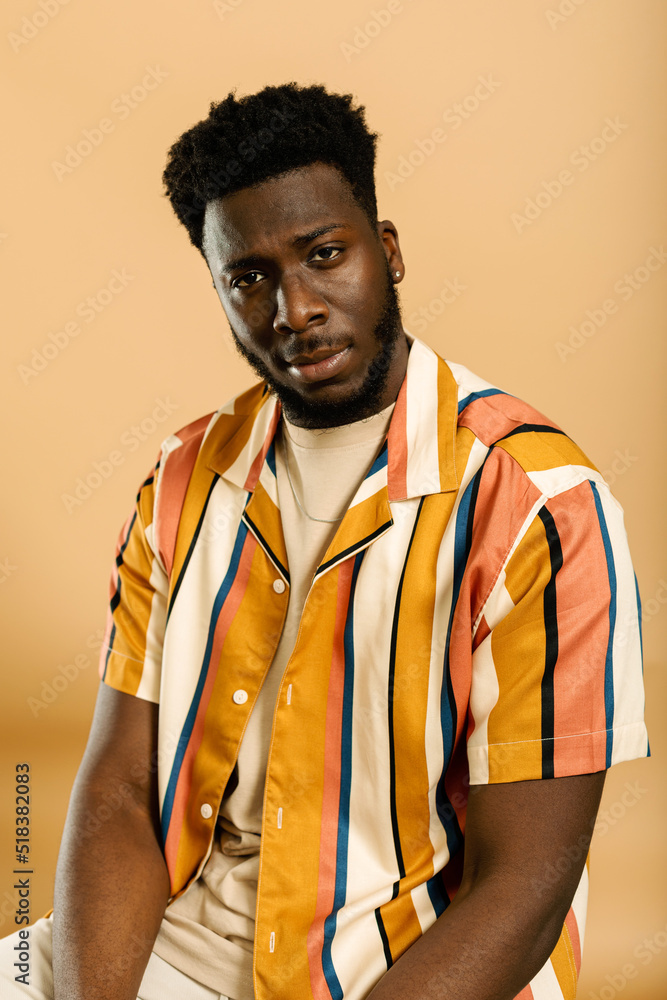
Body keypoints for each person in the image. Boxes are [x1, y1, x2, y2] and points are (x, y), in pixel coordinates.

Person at [1, 82, 648, 1000]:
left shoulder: (539, 504)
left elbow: (525, 886)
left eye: (324, 254)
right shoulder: (183, 481)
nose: (294, 308)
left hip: (407, 971)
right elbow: (120, 793)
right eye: (248, 277)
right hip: (181, 945)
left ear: (388, 250)